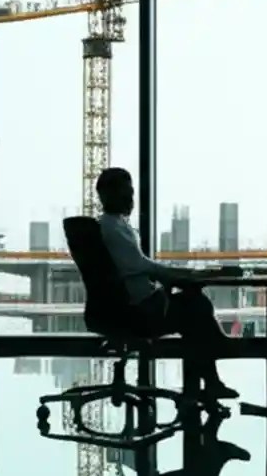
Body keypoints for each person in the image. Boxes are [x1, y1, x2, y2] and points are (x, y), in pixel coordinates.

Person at [94, 168, 236, 399]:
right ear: (107, 195)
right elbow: (142, 266)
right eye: (125, 192)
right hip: (139, 311)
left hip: (132, 306)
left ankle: (211, 379)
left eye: (131, 192)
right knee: (196, 308)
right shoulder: (112, 229)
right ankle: (212, 372)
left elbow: (141, 265)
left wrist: (180, 274)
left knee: (194, 307)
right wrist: (183, 274)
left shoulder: (114, 226)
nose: (130, 198)